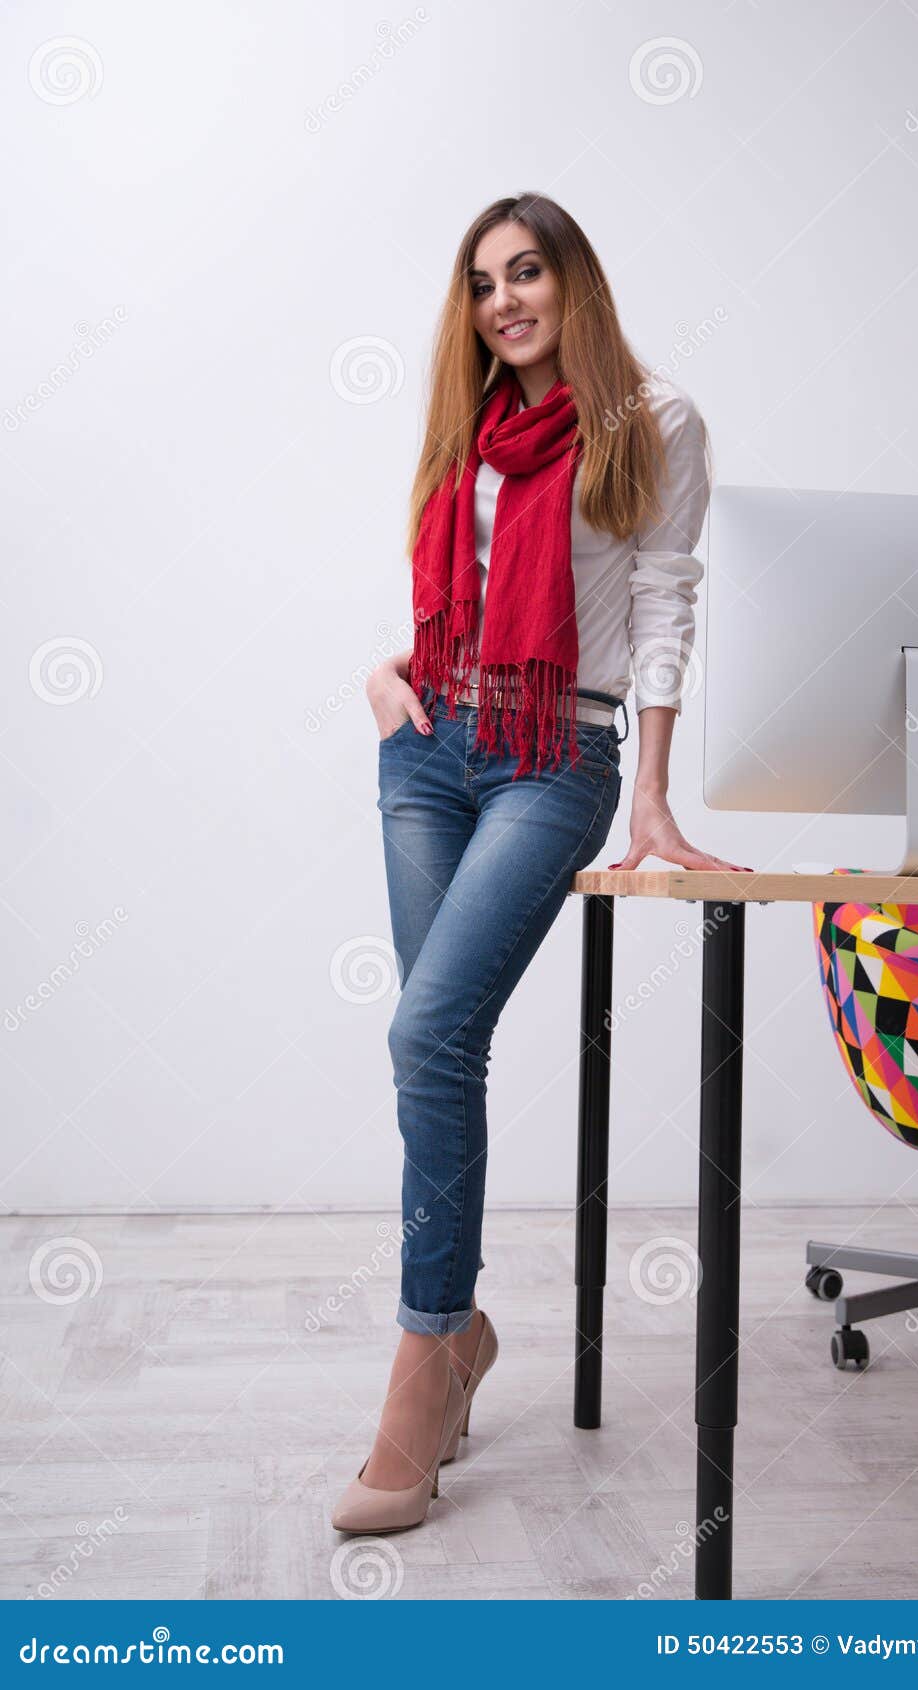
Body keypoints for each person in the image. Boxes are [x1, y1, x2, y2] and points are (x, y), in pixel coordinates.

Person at [331, 191, 753, 1534]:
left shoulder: (652, 421)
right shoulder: (470, 425)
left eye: (527, 273)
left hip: (550, 757)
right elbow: (452, 583)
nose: (503, 299)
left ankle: (422, 1358)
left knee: (426, 1031)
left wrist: (650, 798)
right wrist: (388, 673)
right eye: (481, 281)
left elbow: (660, 595)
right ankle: (454, 1332)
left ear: (575, 281)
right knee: (430, 1045)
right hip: (427, 745)